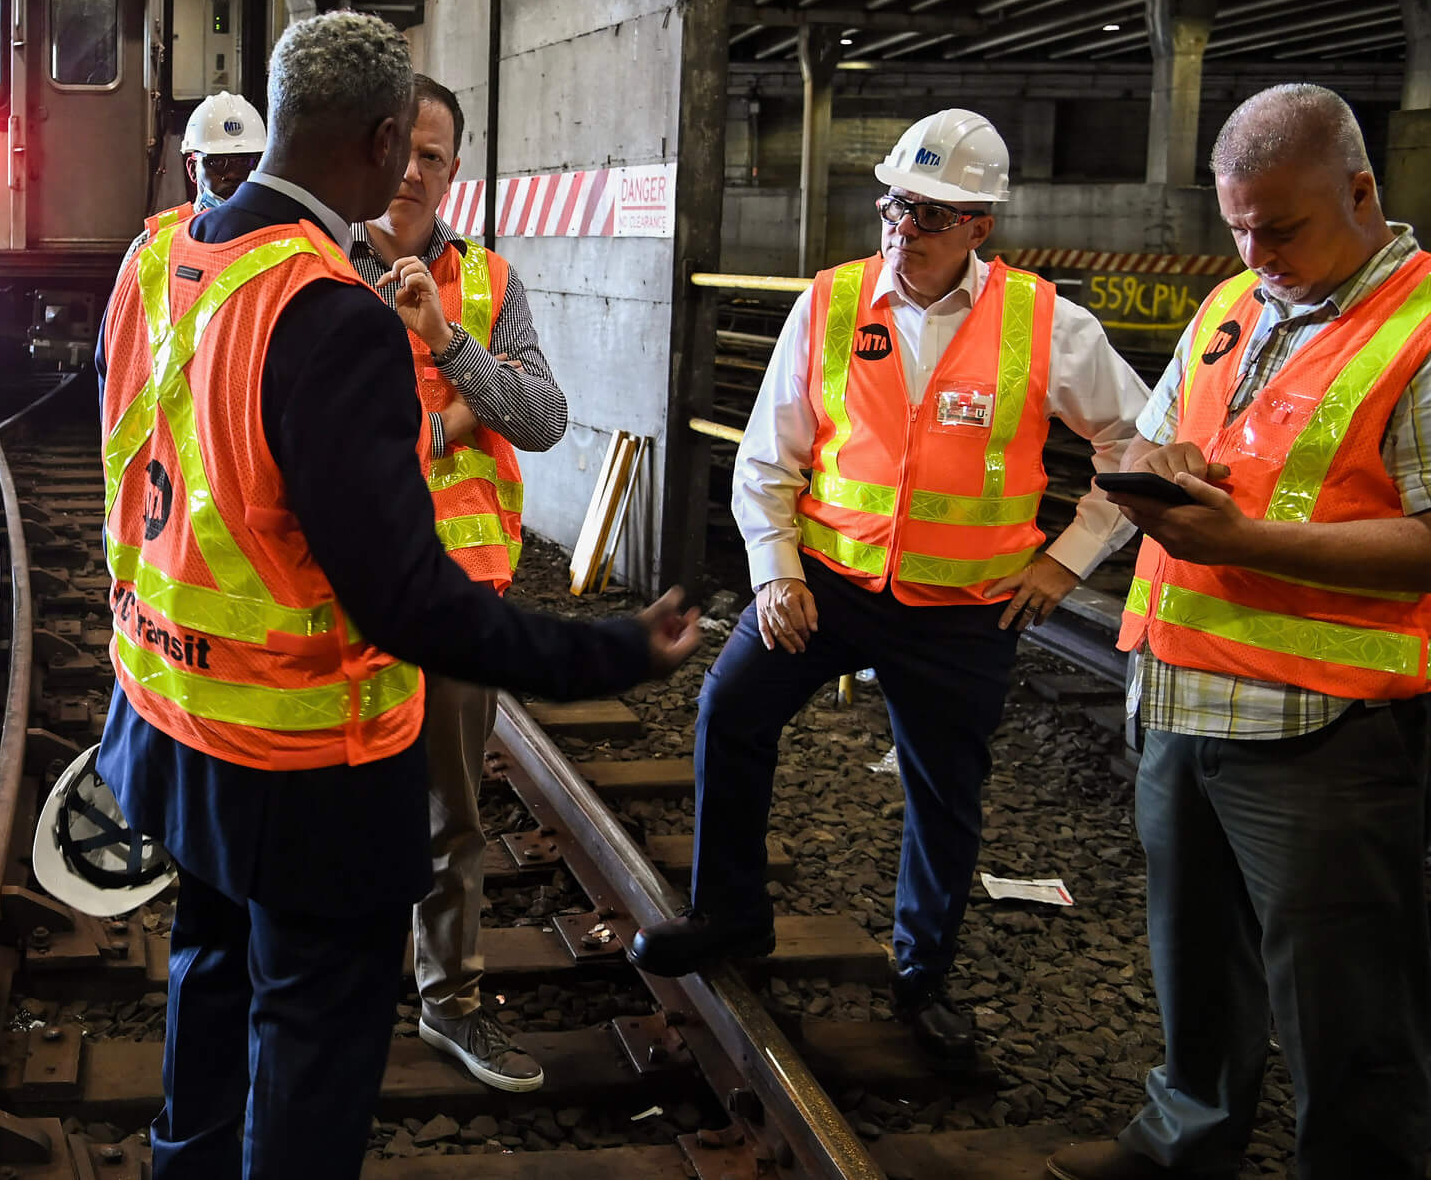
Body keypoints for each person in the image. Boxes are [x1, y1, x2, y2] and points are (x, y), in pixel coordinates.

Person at [95, 10, 701, 1179]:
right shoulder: (328, 313)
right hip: (300, 768)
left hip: (167, 716)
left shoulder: (158, 259)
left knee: (208, 971)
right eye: (407, 148)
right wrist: (613, 652)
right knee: (311, 1036)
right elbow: (408, 606)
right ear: (379, 141)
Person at [629, 108, 1149, 1070]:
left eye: (931, 214)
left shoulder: (1046, 324)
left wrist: (1068, 558)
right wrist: (777, 572)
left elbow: (1137, 442)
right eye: (895, 206)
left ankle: (923, 976)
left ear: (979, 224)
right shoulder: (831, 303)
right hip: (829, 584)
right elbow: (768, 458)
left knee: (944, 791)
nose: (905, 229)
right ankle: (731, 913)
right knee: (730, 710)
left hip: (966, 611)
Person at [1047, 85, 1431, 1180]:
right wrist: (1151, 466)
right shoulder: (1232, 303)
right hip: (1178, 696)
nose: (1256, 253)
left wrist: (1247, 542)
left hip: (1321, 729)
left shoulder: (1416, 329)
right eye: (1237, 228)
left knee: (1346, 1002)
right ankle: (1184, 1141)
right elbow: (1148, 437)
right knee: (1197, 960)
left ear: (1361, 192)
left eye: (1281, 228)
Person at [346, 74, 567, 1092]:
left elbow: (542, 417)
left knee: (451, 815)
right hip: (335, 591)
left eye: (430, 156)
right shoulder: (310, 261)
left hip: (453, 594)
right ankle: (338, 1001)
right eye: (398, 149)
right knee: (332, 805)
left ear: (453, 169)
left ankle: (451, 1004)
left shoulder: (485, 282)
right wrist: (444, 421)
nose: (410, 171)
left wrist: (446, 345)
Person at [120, 91, 267, 273]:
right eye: (218, 162)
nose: (234, 174)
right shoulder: (152, 244)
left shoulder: (276, 241)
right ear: (192, 169)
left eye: (245, 162)